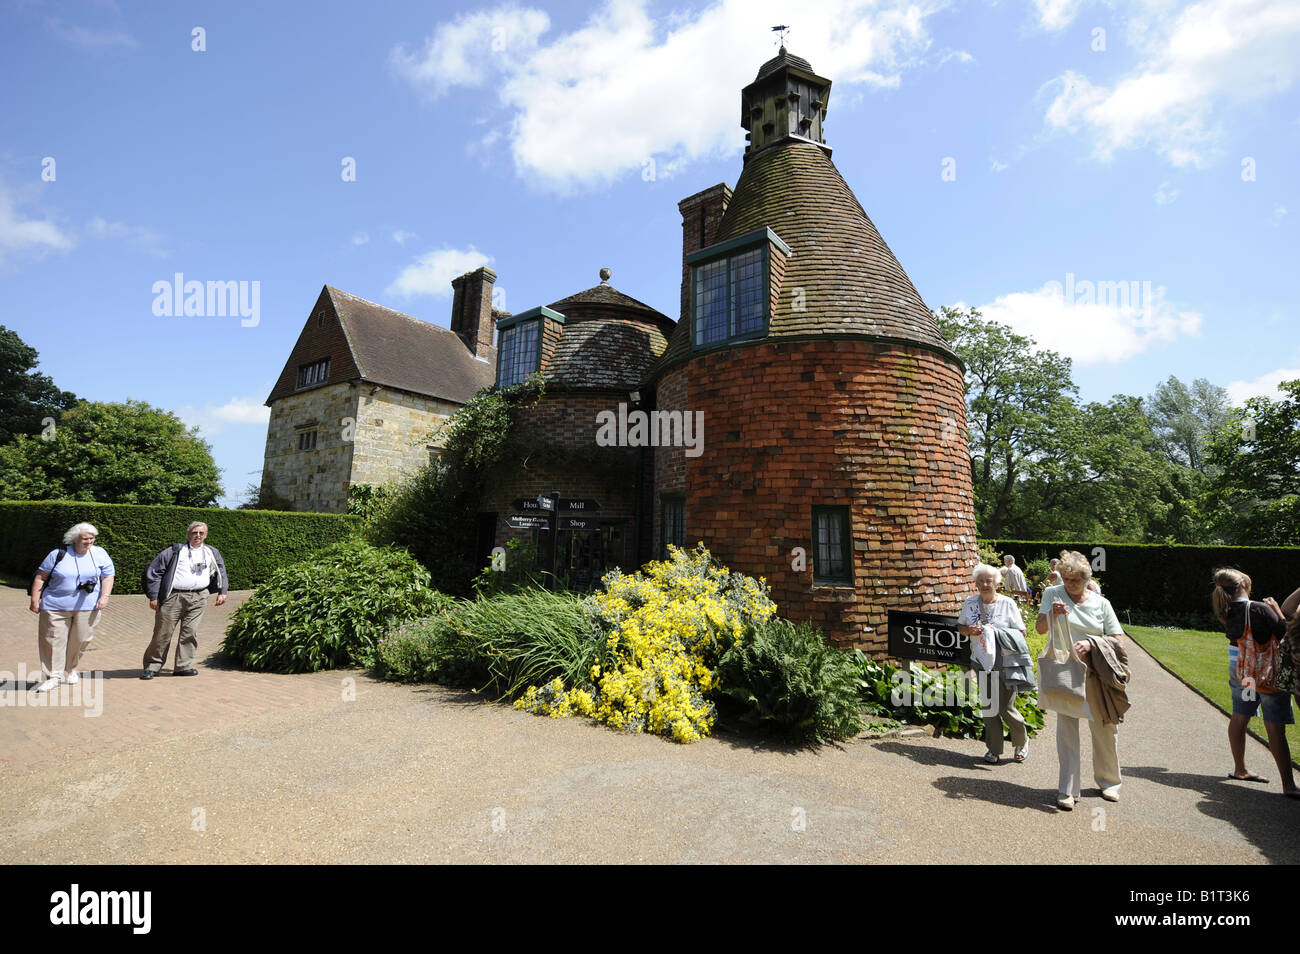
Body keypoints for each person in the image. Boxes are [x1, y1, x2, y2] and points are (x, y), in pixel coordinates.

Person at [1037, 550, 1126, 811]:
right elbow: (1040, 629)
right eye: (1065, 578)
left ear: (1087, 579)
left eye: (1075, 580)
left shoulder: (1102, 603)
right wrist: (1051, 615)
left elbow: (1118, 640)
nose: (1069, 584)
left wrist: (1091, 642)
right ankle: (1067, 789)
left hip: (1097, 672)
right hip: (1065, 670)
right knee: (1066, 731)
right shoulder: (1052, 593)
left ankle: (1109, 782)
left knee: (1105, 729)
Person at [1212, 568, 1297, 799]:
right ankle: (1288, 785)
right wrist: (1278, 611)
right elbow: (1284, 633)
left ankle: (1240, 768)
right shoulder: (1258, 608)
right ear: (1243, 585)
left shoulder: (1226, 609)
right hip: (1265, 673)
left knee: (1240, 715)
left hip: (1242, 671)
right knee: (1274, 724)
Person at [28, 522, 115, 691]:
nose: (89, 542)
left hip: (89, 606)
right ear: (74, 539)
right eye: (85, 539)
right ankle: (53, 676)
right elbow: (41, 577)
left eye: (92, 538)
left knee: (81, 639)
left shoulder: (100, 553)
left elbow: (108, 575)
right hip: (55, 606)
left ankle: (70, 669)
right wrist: (35, 599)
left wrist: (105, 596)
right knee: (53, 641)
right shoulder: (57, 554)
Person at [959, 564, 1032, 765]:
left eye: (988, 581)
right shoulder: (970, 603)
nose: (984, 584)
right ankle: (994, 749)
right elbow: (960, 626)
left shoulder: (1008, 604)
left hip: (1005, 662)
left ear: (997, 583)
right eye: (980, 581)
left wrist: (995, 633)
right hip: (981, 660)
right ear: (975, 583)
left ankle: (1021, 741)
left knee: (1006, 706)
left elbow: (1021, 633)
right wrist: (969, 631)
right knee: (989, 707)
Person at [141, 522, 228, 679]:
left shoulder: (211, 552)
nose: (198, 536)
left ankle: (183, 666)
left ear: (206, 535)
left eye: (201, 533)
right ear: (188, 534)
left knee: (190, 633)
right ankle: (152, 666)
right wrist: (153, 596)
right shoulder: (175, 551)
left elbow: (221, 570)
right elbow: (154, 572)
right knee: (163, 632)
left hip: (199, 597)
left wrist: (222, 591)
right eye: (195, 532)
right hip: (174, 597)